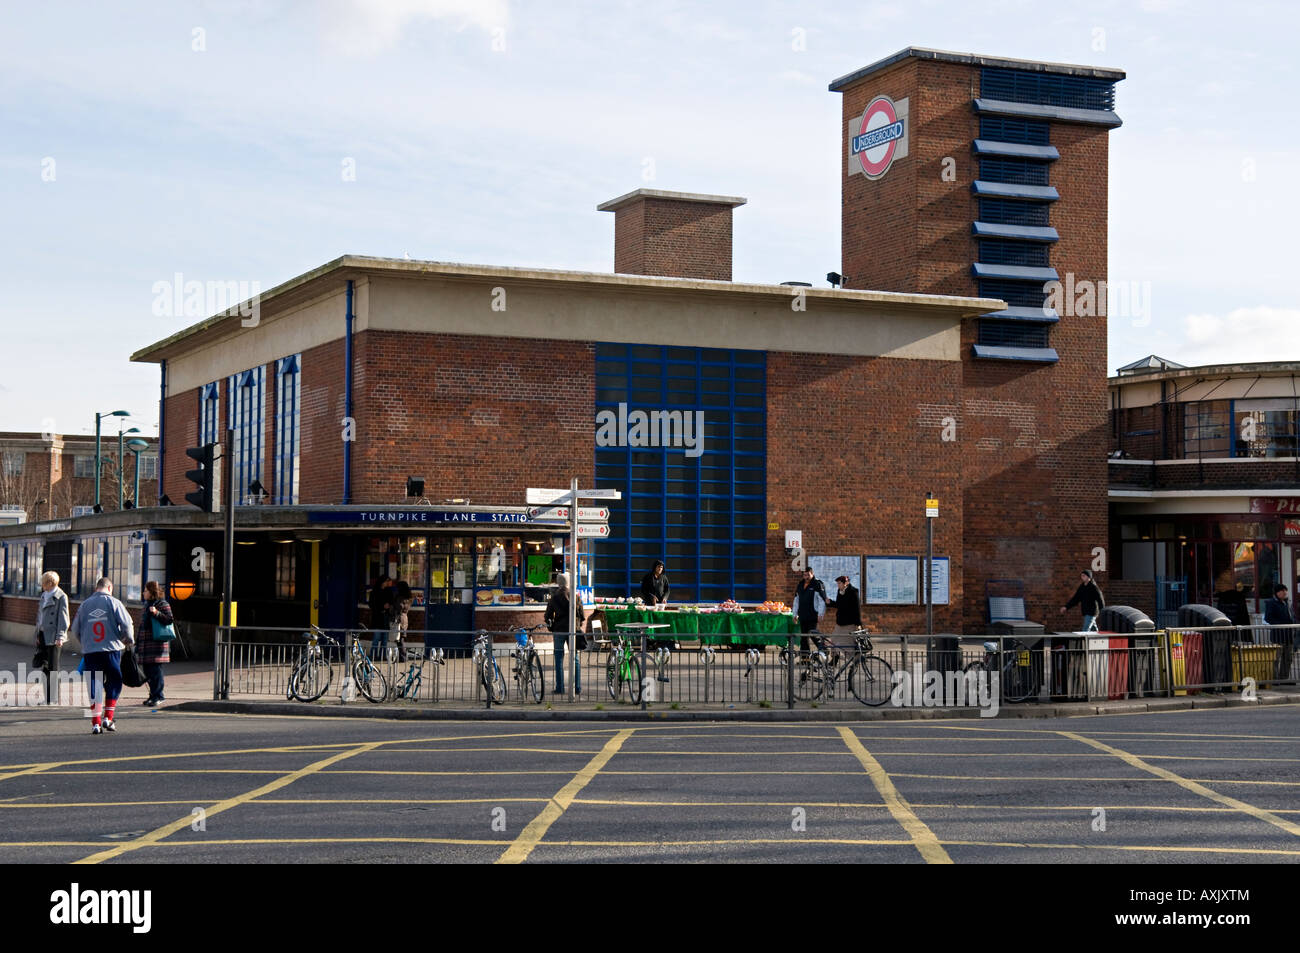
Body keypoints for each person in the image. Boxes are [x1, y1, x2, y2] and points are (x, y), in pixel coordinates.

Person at [70, 577, 134, 734]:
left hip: (91, 651)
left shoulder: (84, 605)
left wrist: (85, 642)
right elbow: (127, 624)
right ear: (110, 587)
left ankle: (96, 723)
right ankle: (108, 717)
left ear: (95, 588)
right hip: (112, 650)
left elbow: (75, 628)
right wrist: (127, 640)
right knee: (114, 681)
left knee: (94, 685)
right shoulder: (114, 603)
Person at [545, 572, 584, 695]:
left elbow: (548, 616)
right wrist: (577, 624)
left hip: (559, 630)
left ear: (559, 583)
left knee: (558, 658)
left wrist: (552, 627)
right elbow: (582, 615)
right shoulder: (575, 596)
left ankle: (560, 688)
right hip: (573, 630)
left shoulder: (554, 597)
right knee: (575, 658)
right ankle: (577, 687)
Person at [35, 571, 70, 705]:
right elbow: (40, 616)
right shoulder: (44, 595)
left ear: (50, 583)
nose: (42, 585)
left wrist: (60, 636)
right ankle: (47, 697)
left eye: (44, 583)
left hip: (54, 637)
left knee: (53, 668)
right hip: (43, 635)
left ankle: (53, 698)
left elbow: (64, 618)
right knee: (45, 667)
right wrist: (38, 634)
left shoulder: (61, 596)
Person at [139, 580, 174, 706]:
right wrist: (138, 644)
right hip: (145, 644)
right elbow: (142, 626)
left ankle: (159, 696)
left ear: (151, 592)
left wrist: (156, 613)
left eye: (146, 590)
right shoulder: (146, 605)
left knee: (155, 672)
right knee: (148, 672)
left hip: (156, 645)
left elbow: (169, 620)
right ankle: (152, 695)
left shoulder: (162, 604)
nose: (143, 593)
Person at [793, 568, 829, 652]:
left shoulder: (817, 584)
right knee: (804, 637)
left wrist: (820, 614)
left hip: (813, 614)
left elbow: (822, 601)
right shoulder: (801, 584)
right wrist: (794, 614)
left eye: (808, 575)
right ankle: (805, 659)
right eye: (804, 575)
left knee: (813, 634)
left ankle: (824, 650)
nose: (806, 577)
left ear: (812, 574)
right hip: (802, 614)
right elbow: (796, 600)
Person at [368, 575, 393, 659]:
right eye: (386, 581)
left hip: (385, 618)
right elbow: (371, 604)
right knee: (376, 638)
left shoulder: (388, 591)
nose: (387, 583)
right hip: (377, 618)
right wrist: (382, 606)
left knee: (385, 640)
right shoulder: (374, 592)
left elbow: (392, 602)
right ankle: (373, 655)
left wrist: (389, 606)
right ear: (382, 582)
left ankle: (383, 656)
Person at [393, 576, 412, 661]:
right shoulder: (408, 597)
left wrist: (392, 607)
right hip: (405, 618)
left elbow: (399, 607)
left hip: (400, 618)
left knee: (400, 639)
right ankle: (402, 656)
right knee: (401, 638)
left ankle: (403, 657)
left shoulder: (400, 597)